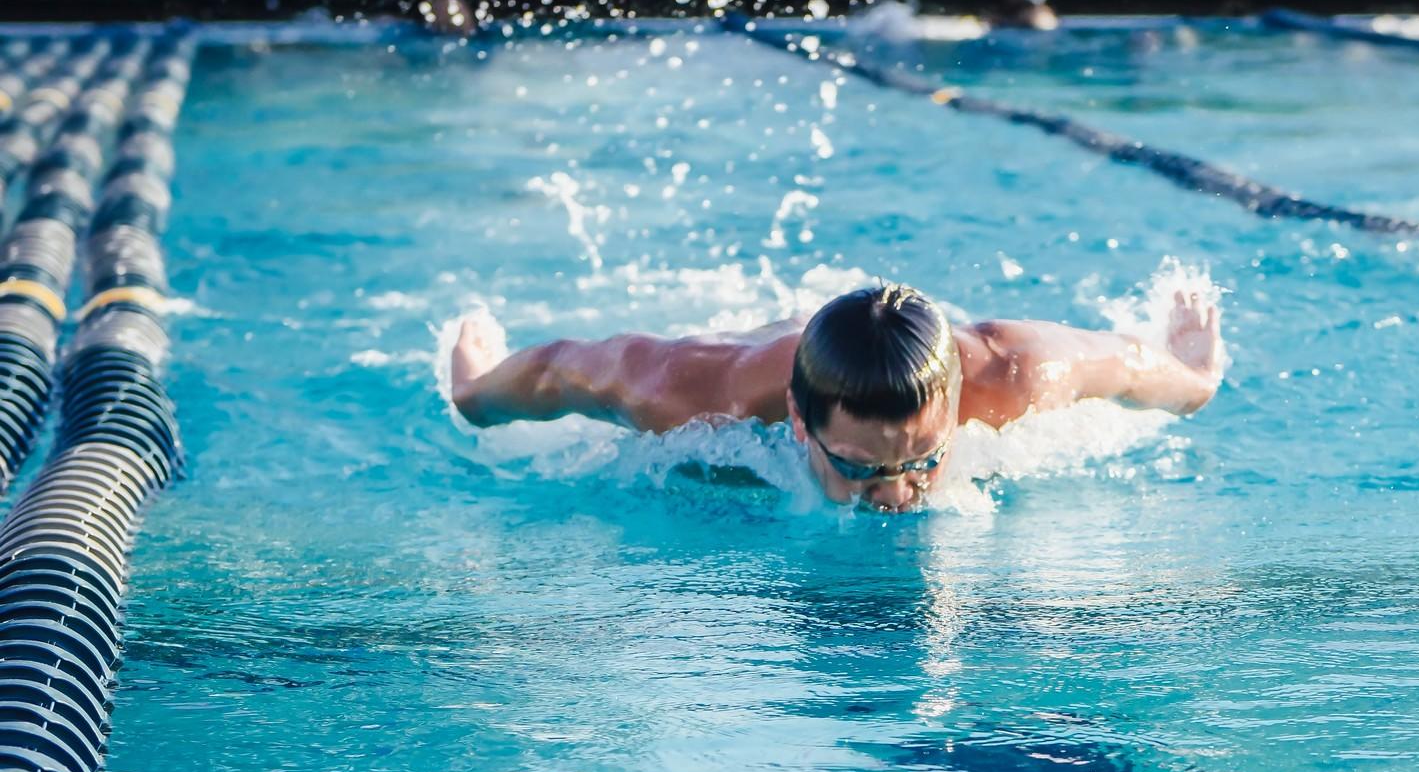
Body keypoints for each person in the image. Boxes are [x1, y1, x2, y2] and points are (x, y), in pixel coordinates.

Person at [449, 282, 1223, 512]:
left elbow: (1129, 367)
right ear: (797, 420)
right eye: (856, 468)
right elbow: (564, 369)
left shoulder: (1017, 377)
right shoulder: (691, 394)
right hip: (773, 343)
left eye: (925, 460)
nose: (896, 497)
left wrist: (1193, 377)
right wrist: (476, 393)